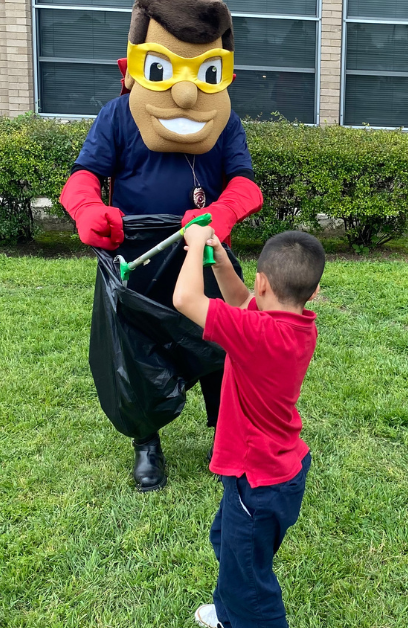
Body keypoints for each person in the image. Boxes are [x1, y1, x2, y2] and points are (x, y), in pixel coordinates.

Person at [59, 0, 264, 492]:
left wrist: (222, 214)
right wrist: (88, 210)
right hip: (137, 258)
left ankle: (228, 434)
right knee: (136, 350)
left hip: (204, 250)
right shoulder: (119, 115)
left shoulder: (223, 120)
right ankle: (146, 442)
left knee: (222, 338)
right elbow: (83, 176)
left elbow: (245, 183)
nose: (186, 91)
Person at [173, 226, 325, 628]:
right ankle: (228, 613)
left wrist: (194, 245)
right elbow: (242, 301)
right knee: (228, 543)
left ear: (261, 282)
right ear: (313, 292)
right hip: (276, 473)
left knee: (250, 584)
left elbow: (185, 298)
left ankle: (240, 613)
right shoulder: (299, 326)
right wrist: (219, 258)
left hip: (257, 481)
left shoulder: (257, 334)